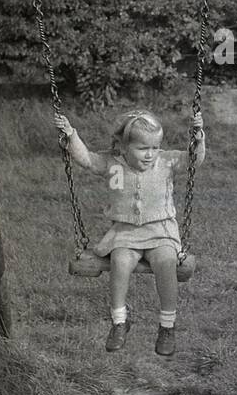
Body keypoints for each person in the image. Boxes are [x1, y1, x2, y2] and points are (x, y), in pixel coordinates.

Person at [54, 108, 205, 356]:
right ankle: (119, 322)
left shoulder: (166, 161)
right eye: (143, 148)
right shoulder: (113, 164)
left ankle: (167, 325)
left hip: (161, 231)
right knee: (120, 261)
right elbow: (87, 159)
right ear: (123, 147)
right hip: (125, 233)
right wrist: (70, 135)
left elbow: (193, 160)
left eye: (155, 147)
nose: (150, 154)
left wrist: (198, 136)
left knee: (166, 261)